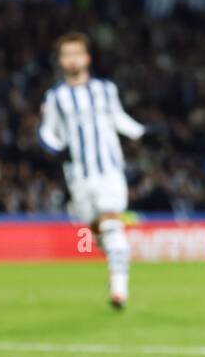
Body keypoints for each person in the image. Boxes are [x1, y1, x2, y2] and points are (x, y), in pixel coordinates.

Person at [39, 32, 146, 309]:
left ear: (87, 58)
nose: (72, 59)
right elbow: (47, 132)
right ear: (61, 61)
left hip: (110, 170)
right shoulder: (56, 97)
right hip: (78, 177)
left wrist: (144, 132)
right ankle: (115, 264)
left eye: (77, 53)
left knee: (112, 222)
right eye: (67, 54)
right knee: (100, 230)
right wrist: (55, 149)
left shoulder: (105, 90)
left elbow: (119, 118)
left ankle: (119, 289)